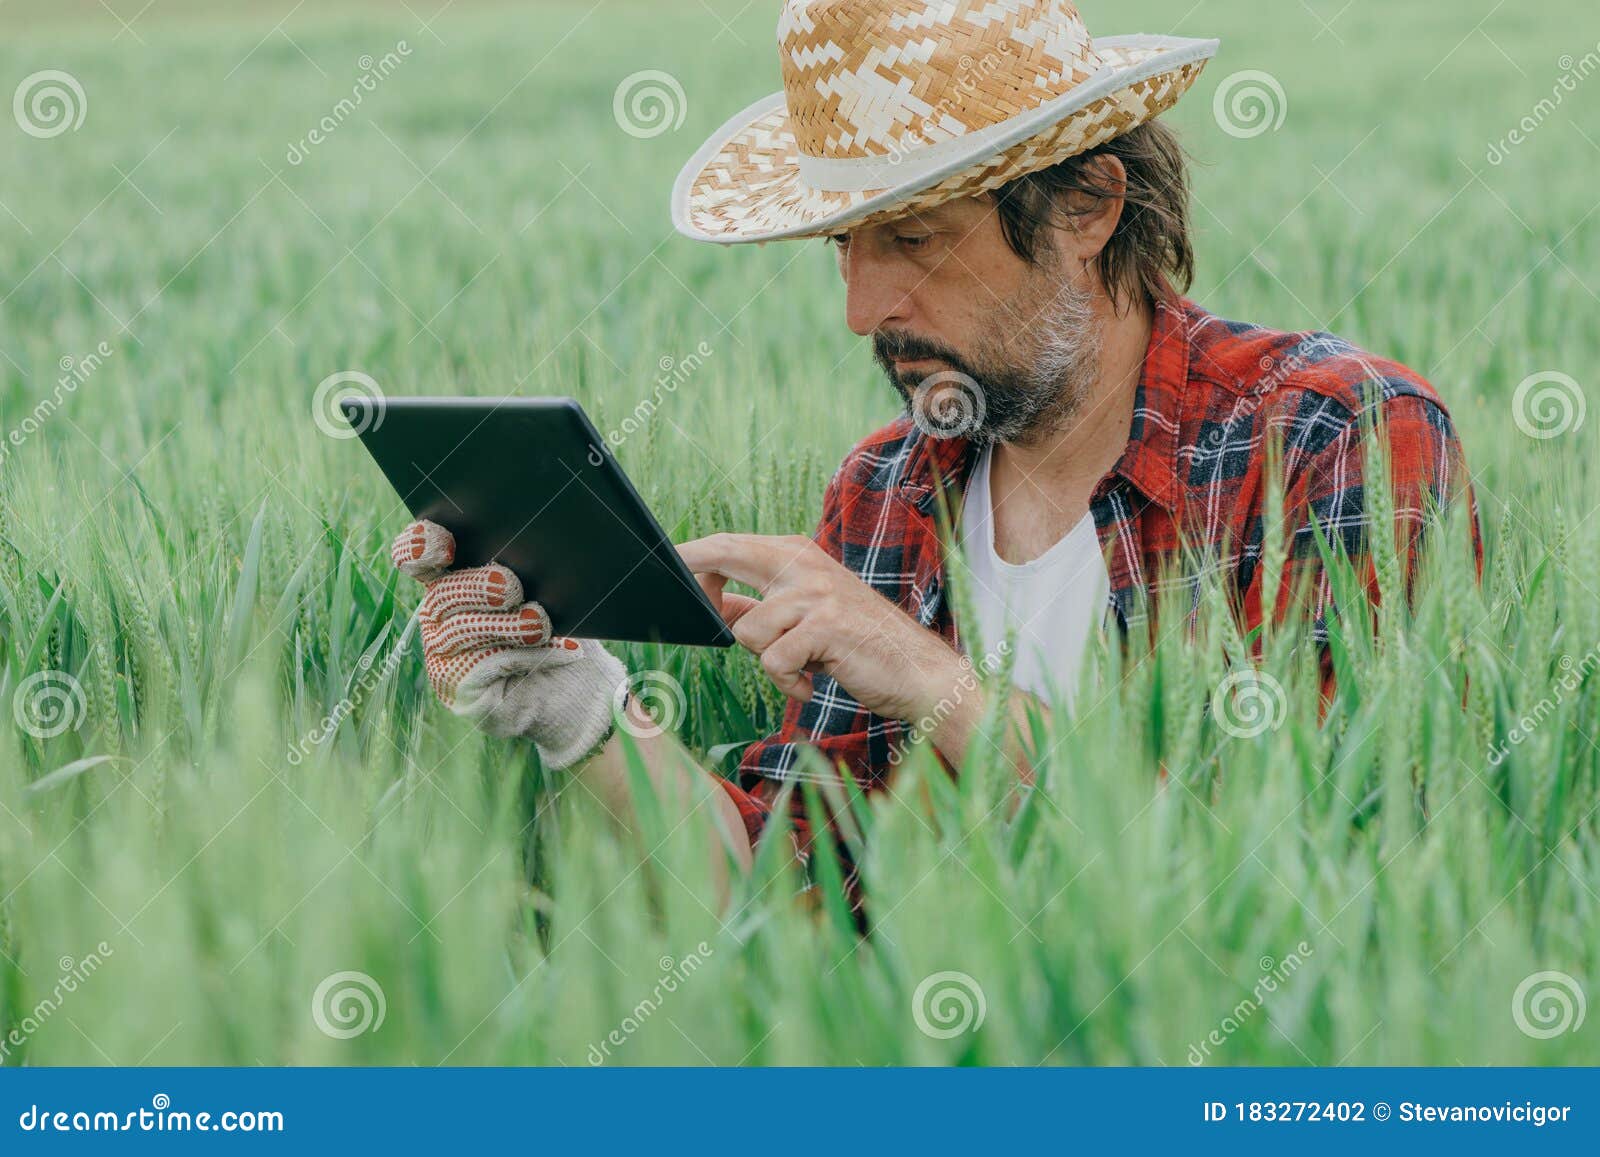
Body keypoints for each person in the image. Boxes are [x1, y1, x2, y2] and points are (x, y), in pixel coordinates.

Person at [390, 0, 1479, 903]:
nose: (864, 309)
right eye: (844, 250)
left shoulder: (1332, 438)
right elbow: (790, 904)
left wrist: (926, 677)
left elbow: (1309, 872)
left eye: (911, 240)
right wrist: (579, 710)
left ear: (1087, 206)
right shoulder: (881, 494)